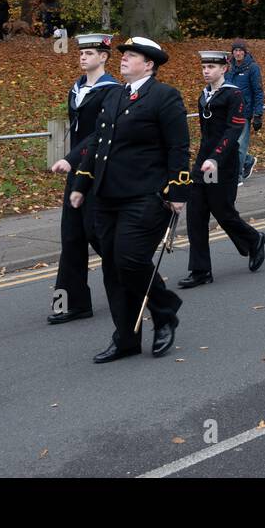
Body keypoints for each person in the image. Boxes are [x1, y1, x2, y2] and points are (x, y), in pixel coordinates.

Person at [69, 36, 190, 363]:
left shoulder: (164, 97)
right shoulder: (114, 95)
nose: (123, 59)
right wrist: (82, 182)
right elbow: (98, 142)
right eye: (123, 55)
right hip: (107, 196)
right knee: (112, 267)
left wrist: (178, 191)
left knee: (130, 259)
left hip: (146, 197)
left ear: (149, 64)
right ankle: (126, 337)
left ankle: (165, 311)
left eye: (131, 56)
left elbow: (179, 147)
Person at [179, 51, 265, 287]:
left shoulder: (233, 95)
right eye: (204, 66)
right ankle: (200, 271)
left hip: (224, 164)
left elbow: (233, 130)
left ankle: (254, 239)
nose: (206, 70)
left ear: (224, 69)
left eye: (211, 67)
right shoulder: (204, 96)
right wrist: (201, 161)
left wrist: (216, 158)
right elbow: (206, 134)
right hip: (203, 163)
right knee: (195, 214)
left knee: (223, 211)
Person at [48, 33, 119, 324]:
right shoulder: (76, 89)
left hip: (99, 171)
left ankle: (137, 282)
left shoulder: (113, 91)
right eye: (81, 52)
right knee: (71, 237)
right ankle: (71, 303)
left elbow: (100, 134)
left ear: (103, 57)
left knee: (99, 236)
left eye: (90, 53)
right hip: (76, 171)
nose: (83, 57)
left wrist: (71, 158)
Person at [228, 39, 265, 183]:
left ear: (245, 52)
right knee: (230, 143)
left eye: (240, 51)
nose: (238, 53)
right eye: (235, 51)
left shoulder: (252, 67)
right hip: (230, 112)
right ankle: (248, 161)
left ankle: (237, 176)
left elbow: (258, 91)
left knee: (240, 145)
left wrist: (258, 114)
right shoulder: (229, 67)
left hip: (244, 113)